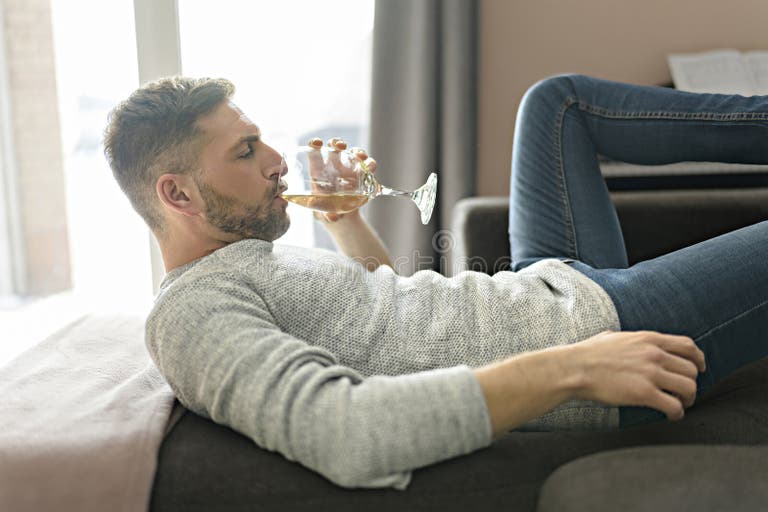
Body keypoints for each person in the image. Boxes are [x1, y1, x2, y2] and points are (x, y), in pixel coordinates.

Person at [103, 74, 767, 490]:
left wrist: (345, 220)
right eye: (245, 152)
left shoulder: (245, 254)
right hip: (592, 327)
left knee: (555, 104)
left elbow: (381, 312)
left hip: (541, 291)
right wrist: (570, 366)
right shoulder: (193, 314)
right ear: (178, 195)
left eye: (260, 140)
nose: (278, 162)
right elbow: (347, 431)